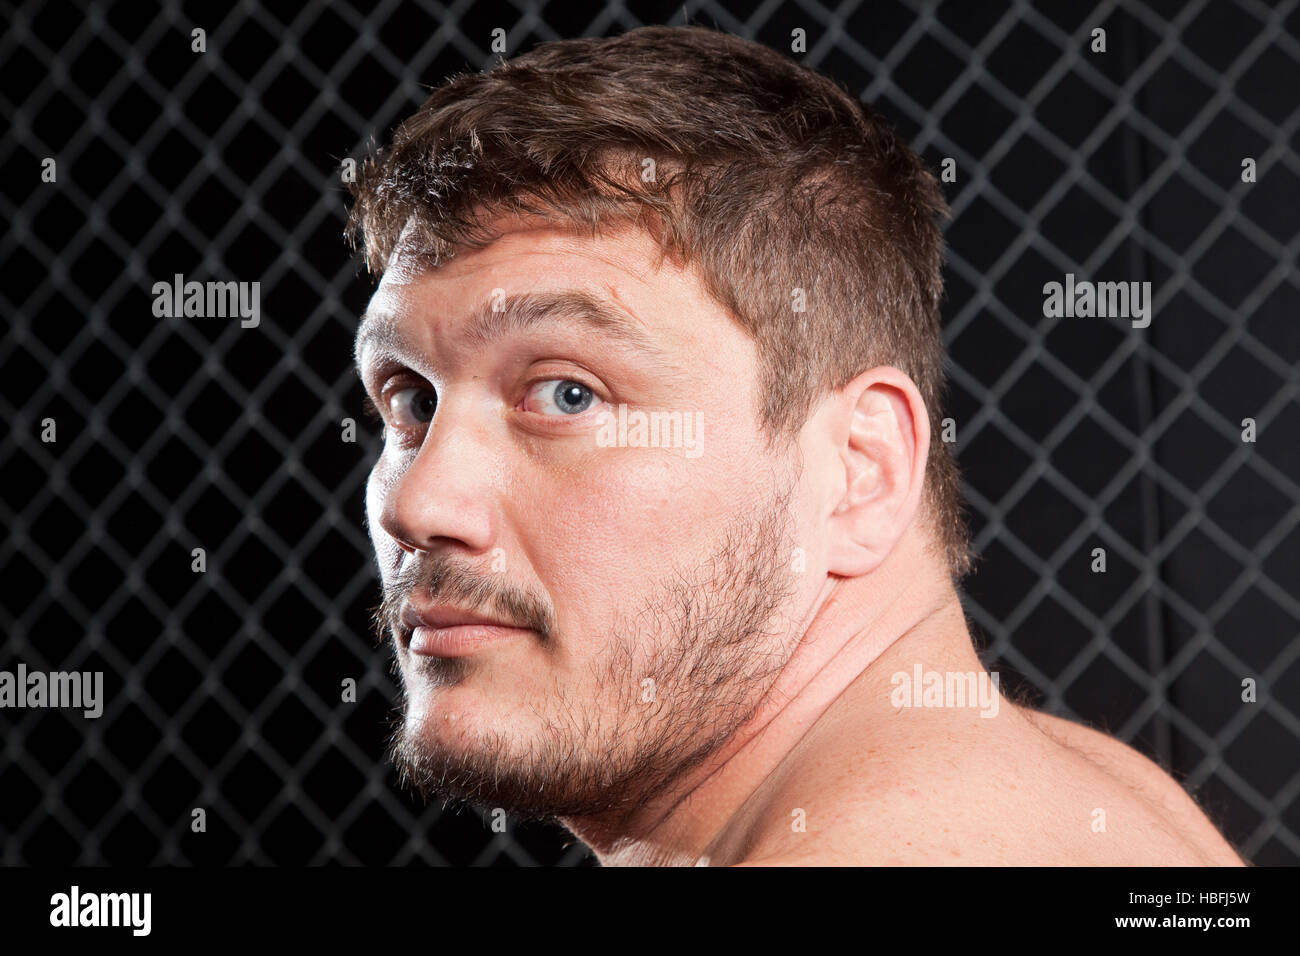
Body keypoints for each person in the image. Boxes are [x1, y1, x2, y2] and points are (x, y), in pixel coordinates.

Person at [346, 25, 1244, 866]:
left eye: (568, 394)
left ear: (859, 471)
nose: (416, 503)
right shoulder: (1094, 792)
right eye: (413, 401)